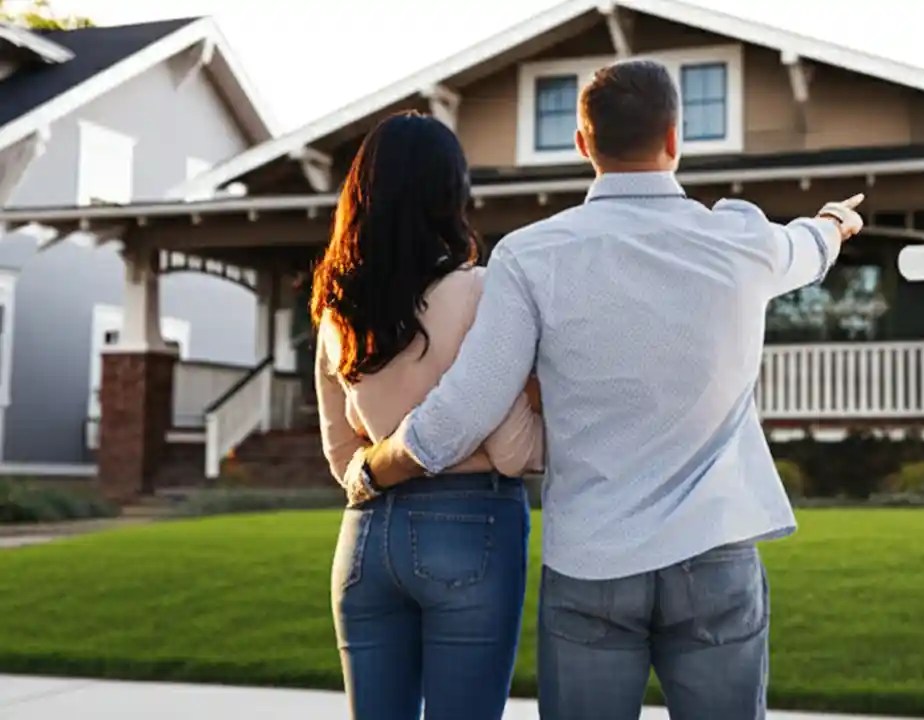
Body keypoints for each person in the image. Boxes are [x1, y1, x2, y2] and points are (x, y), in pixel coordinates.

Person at [353, 60, 864, 719]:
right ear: (674, 138)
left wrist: (374, 468)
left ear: (582, 144)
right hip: (715, 553)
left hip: (591, 566)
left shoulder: (531, 254)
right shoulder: (743, 241)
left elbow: (469, 407)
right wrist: (835, 222)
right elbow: (811, 244)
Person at [311, 110, 544, 720]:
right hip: (472, 527)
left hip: (364, 537)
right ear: (451, 196)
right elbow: (513, 452)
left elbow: (342, 457)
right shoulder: (482, 292)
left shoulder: (335, 310)